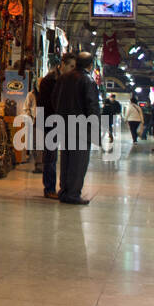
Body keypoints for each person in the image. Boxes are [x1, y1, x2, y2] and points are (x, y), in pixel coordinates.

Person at [54, 51, 100, 205]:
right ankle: (73, 194)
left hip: (63, 124)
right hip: (81, 128)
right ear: (90, 65)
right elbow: (92, 106)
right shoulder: (88, 81)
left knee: (66, 160)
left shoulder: (63, 78)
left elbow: (55, 99)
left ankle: (64, 191)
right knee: (78, 163)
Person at [38, 53, 75, 199]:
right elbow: (46, 104)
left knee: (63, 157)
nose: (73, 69)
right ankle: (49, 189)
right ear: (63, 64)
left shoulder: (68, 81)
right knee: (50, 158)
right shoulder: (50, 80)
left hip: (63, 122)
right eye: (71, 66)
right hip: (50, 122)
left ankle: (63, 188)